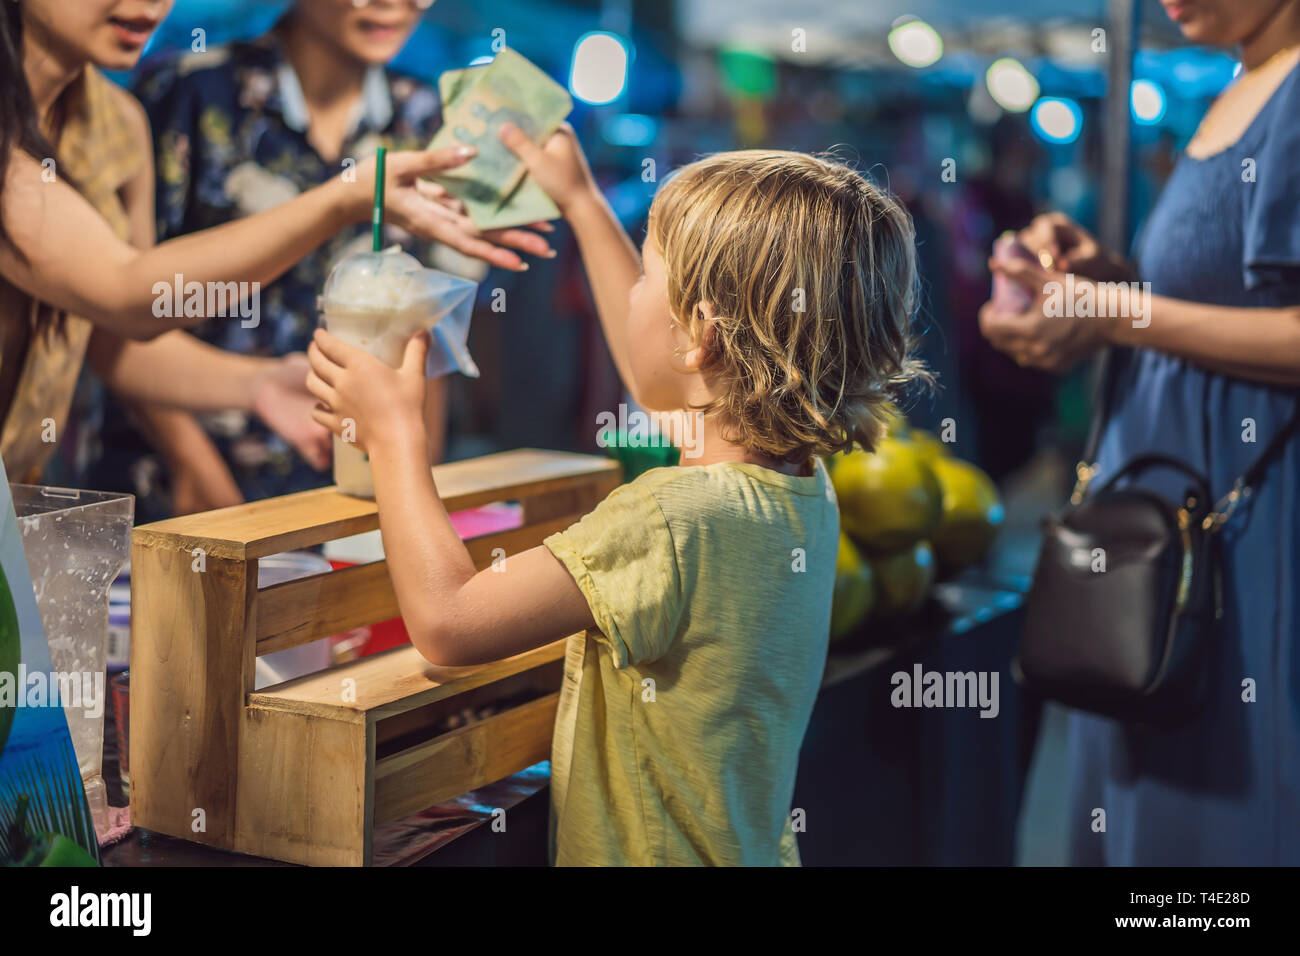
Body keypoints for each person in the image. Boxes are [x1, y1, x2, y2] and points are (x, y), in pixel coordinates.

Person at [306, 126, 928, 865]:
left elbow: (449, 624)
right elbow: (660, 387)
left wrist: (395, 438)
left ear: (700, 336)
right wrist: (579, 200)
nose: (633, 287)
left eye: (645, 275)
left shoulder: (673, 516)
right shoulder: (797, 487)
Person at [980, 0, 1300, 864]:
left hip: (1245, 516)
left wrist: (1115, 312)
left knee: (1231, 799)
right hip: (1165, 511)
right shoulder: (1244, 79)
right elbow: (1211, 296)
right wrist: (1092, 276)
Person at [0, 0, 549, 485]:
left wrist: (261, 384)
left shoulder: (112, 125)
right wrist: (347, 197)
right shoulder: (188, 93)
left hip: (29, 499)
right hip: (164, 487)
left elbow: (126, 332)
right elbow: (130, 295)